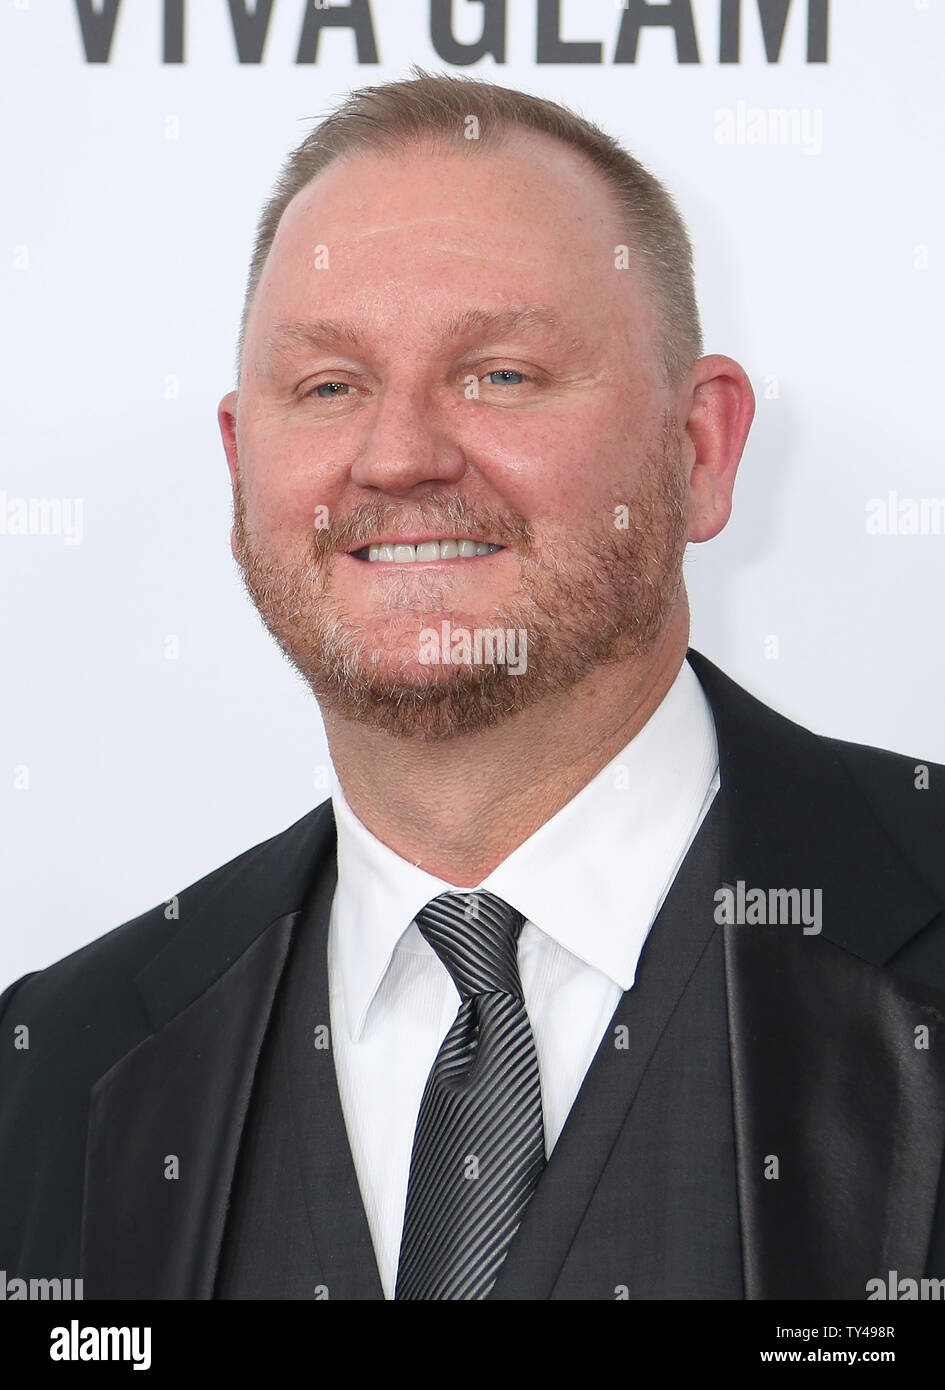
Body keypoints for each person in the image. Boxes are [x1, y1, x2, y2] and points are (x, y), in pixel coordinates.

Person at [2, 69, 944, 1303]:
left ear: (701, 449)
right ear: (242, 468)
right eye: (329, 386)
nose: (398, 456)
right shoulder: (54, 1072)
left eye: (500, 373)